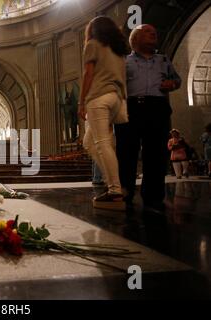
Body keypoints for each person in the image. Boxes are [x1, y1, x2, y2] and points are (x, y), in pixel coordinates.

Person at [114, 24, 181, 213]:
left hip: (157, 108)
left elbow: (177, 80)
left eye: (154, 32)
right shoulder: (124, 62)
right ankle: (125, 191)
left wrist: (172, 83)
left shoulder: (164, 60)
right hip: (131, 108)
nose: (153, 33)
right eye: (147, 32)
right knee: (126, 151)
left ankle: (153, 196)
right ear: (134, 40)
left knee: (157, 153)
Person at [78, 16, 129, 211]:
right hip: (116, 98)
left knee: (102, 143)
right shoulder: (118, 50)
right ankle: (113, 182)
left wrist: (81, 102)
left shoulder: (92, 44)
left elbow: (88, 74)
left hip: (98, 97)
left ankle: (115, 190)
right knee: (89, 142)